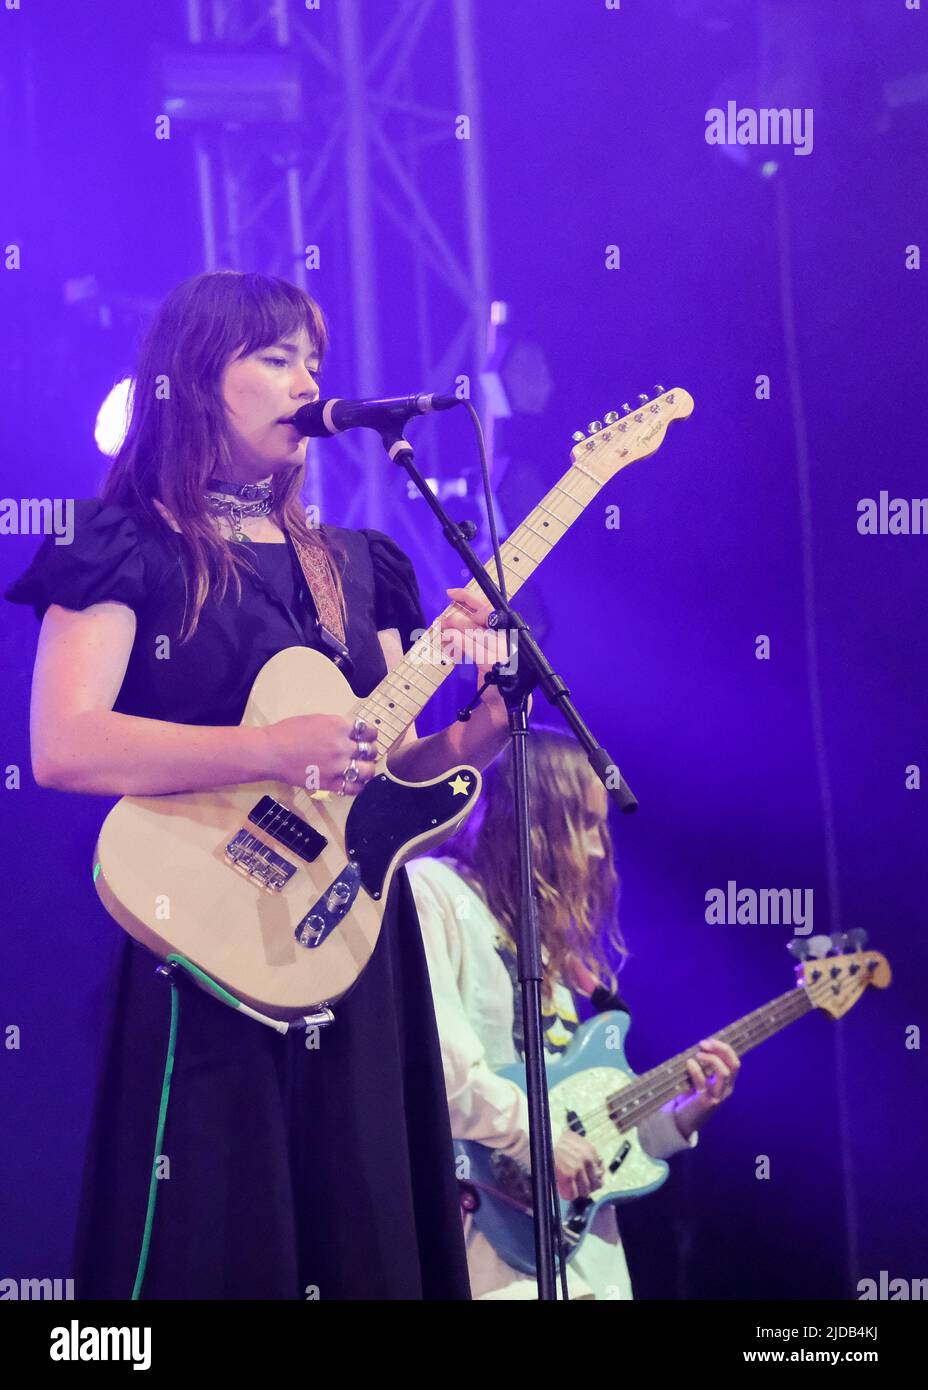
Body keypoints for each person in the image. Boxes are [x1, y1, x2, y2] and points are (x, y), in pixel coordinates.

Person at [4, 269, 514, 1300]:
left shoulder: (361, 563)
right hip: (204, 929)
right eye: (275, 358)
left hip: (354, 934)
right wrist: (269, 754)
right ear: (195, 381)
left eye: (314, 361)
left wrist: (473, 735)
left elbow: (390, 765)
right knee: (219, 1232)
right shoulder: (123, 545)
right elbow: (62, 745)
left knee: (366, 1221)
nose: (305, 382)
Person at [406, 725, 741, 1300]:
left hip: (587, 1267)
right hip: (486, 1253)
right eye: (582, 823)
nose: (594, 850)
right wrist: (538, 1135)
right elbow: (440, 1066)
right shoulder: (434, 892)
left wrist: (681, 1117)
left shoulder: (549, 948)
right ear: (529, 821)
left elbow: (592, 1133)